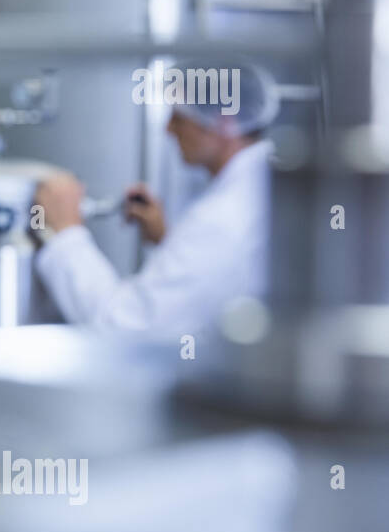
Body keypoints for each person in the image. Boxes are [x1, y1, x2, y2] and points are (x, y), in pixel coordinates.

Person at [31, 59, 278, 337]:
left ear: (223, 123)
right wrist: (169, 242)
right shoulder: (261, 184)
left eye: (180, 117)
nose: (168, 129)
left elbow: (124, 327)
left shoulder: (221, 219)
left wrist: (66, 233)